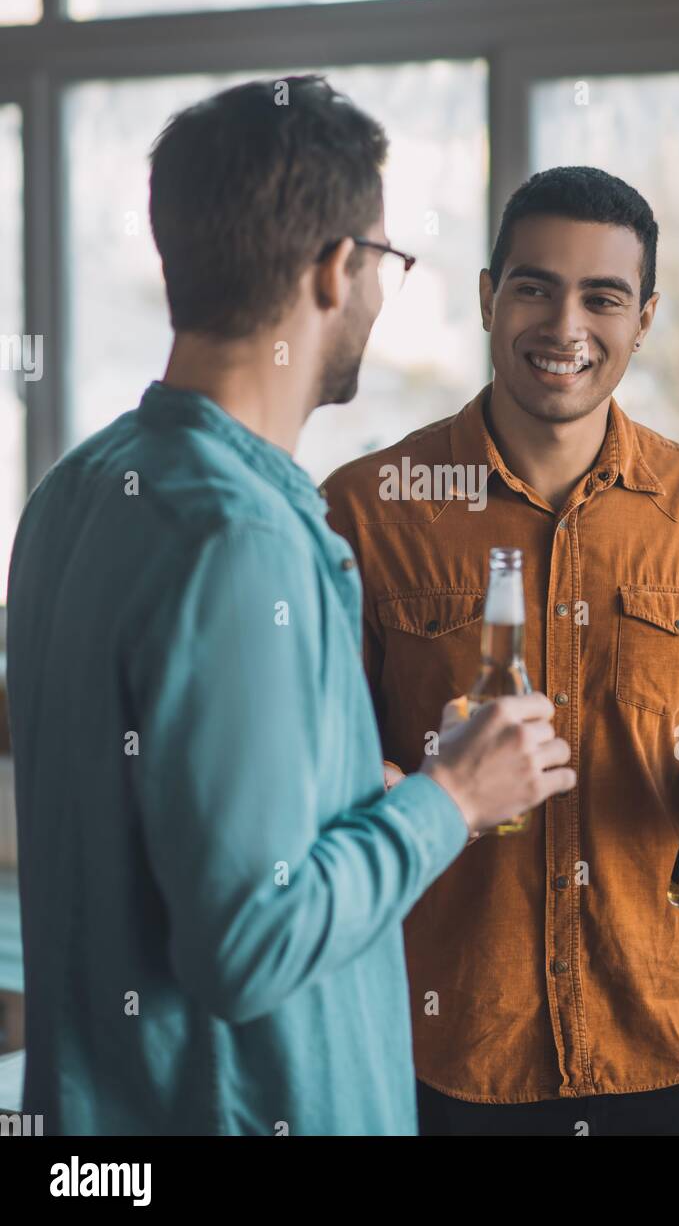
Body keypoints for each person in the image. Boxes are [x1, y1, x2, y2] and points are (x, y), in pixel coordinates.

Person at [4, 77, 575, 1136]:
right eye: (385, 264)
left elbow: (178, 826)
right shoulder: (242, 540)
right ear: (335, 269)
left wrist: (362, 794)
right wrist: (449, 798)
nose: (377, 291)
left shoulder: (73, 493)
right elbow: (249, 942)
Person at [323, 165, 679, 1136]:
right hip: (446, 1050)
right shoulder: (366, 508)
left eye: (601, 297)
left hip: (671, 1041)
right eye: (532, 286)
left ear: (642, 318)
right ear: (486, 296)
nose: (564, 325)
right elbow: (314, 777)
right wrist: (406, 783)